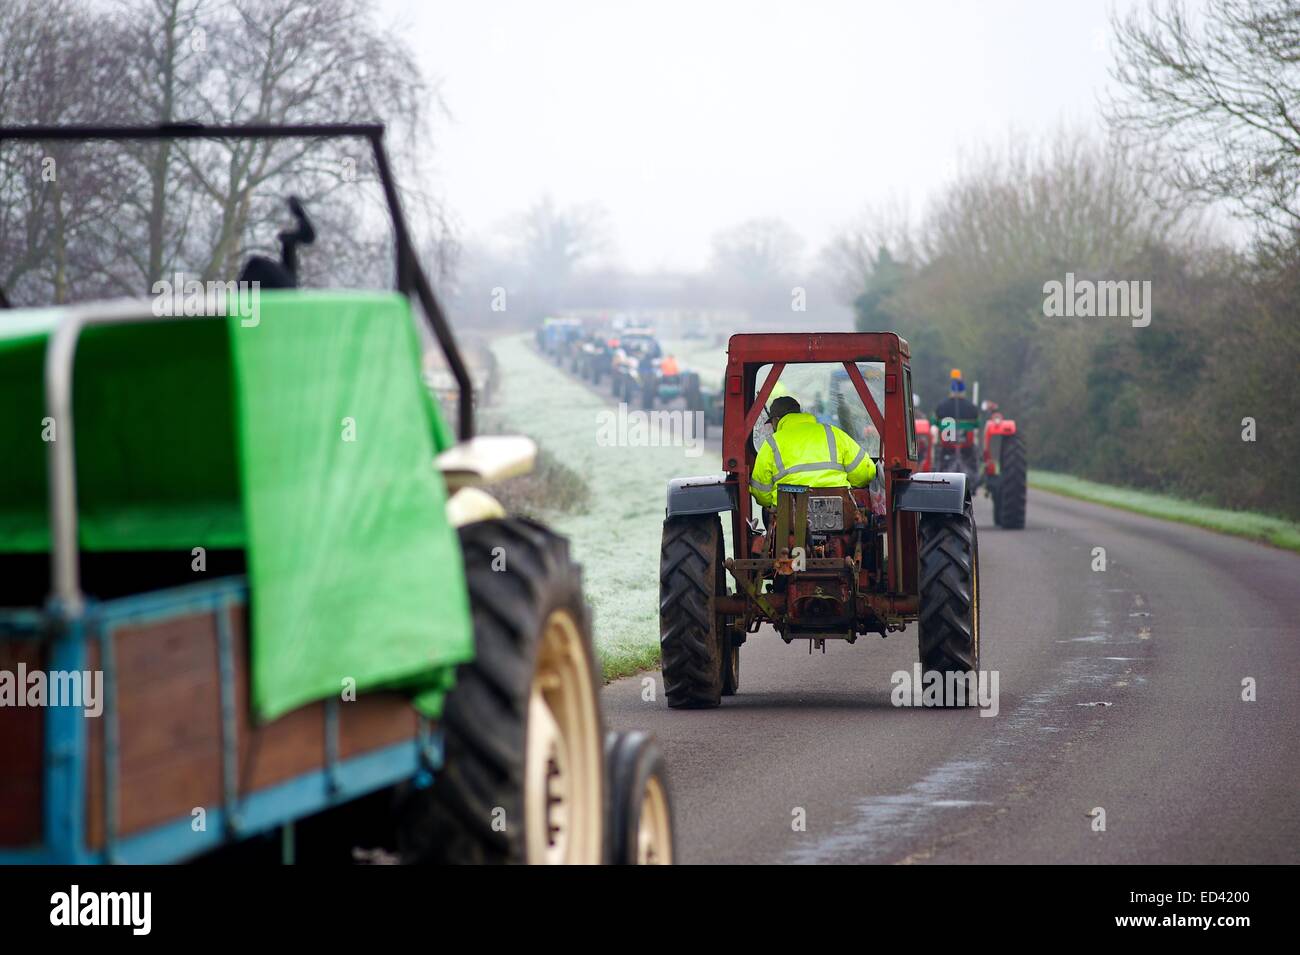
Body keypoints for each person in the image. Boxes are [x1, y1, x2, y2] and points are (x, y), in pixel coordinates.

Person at [749, 395, 876, 508]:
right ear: (799, 413)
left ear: (776, 420)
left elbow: (761, 495)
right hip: (840, 513)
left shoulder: (771, 443)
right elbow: (865, 473)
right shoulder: (832, 433)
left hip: (790, 522)